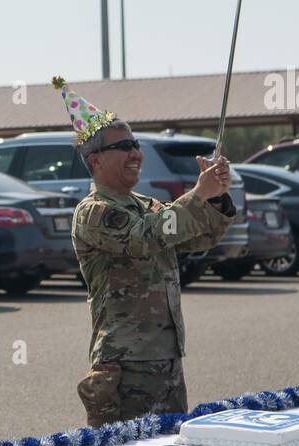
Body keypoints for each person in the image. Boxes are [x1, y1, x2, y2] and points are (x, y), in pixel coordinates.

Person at [52, 76, 235, 425]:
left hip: (165, 356)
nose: (135, 153)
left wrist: (216, 196)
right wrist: (197, 195)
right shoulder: (93, 211)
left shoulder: (145, 204)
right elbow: (145, 237)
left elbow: (196, 237)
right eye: (123, 147)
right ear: (95, 161)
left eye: (135, 144)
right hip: (126, 364)